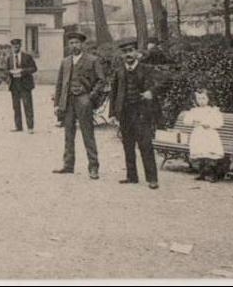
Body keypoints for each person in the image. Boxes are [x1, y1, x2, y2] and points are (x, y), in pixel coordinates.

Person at [53, 32, 105, 179]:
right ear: (68, 45)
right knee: (68, 134)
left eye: (76, 42)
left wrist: (90, 96)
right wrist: (57, 104)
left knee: (88, 134)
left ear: (82, 44)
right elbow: (59, 84)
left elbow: (101, 81)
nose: (74, 45)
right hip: (67, 102)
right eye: (71, 43)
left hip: (84, 100)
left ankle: (93, 167)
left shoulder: (92, 60)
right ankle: (68, 165)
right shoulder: (65, 62)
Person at [108, 49, 160, 189]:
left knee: (145, 145)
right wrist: (112, 113)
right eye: (125, 52)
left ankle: (152, 179)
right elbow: (113, 93)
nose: (128, 55)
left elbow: (160, 84)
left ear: (137, 53)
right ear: (122, 55)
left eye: (131, 51)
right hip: (124, 113)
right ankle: (131, 176)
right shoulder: (119, 71)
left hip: (141, 112)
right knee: (128, 145)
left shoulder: (146, 69)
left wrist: (151, 92)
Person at [183, 88, 225, 183]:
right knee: (200, 153)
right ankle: (202, 173)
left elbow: (220, 123)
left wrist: (210, 125)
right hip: (198, 134)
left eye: (203, 98)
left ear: (209, 99)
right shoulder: (194, 110)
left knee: (210, 154)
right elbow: (186, 121)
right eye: (199, 99)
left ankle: (212, 173)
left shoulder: (213, 110)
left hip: (210, 134)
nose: (201, 101)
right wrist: (192, 121)